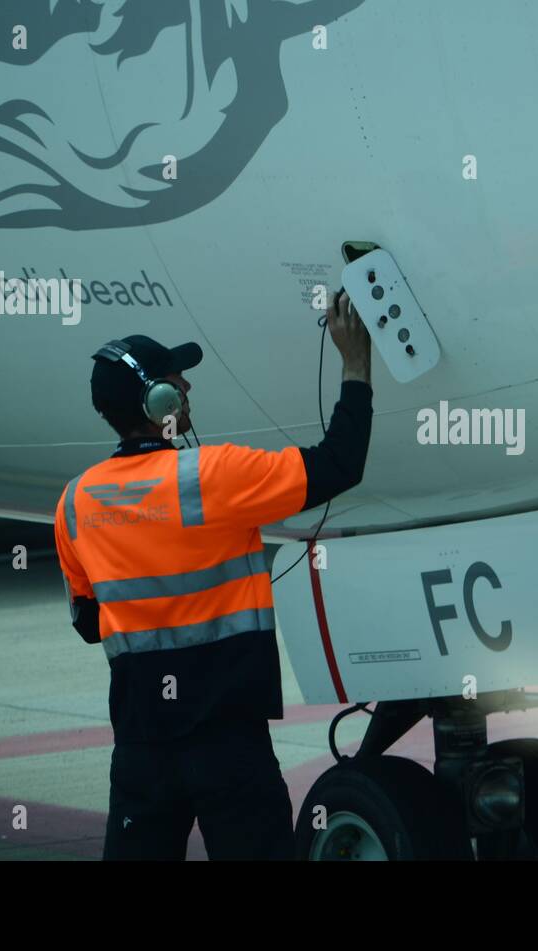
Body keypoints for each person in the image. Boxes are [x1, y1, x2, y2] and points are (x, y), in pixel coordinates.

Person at [54, 289, 372, 859]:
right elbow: (340, 463)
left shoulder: (75, 503)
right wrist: (355, 364)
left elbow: (88, 621)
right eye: (177, 383)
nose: (188, 389)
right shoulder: (213, 477)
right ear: (157, 402)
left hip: (141, 747)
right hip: (228, 742)